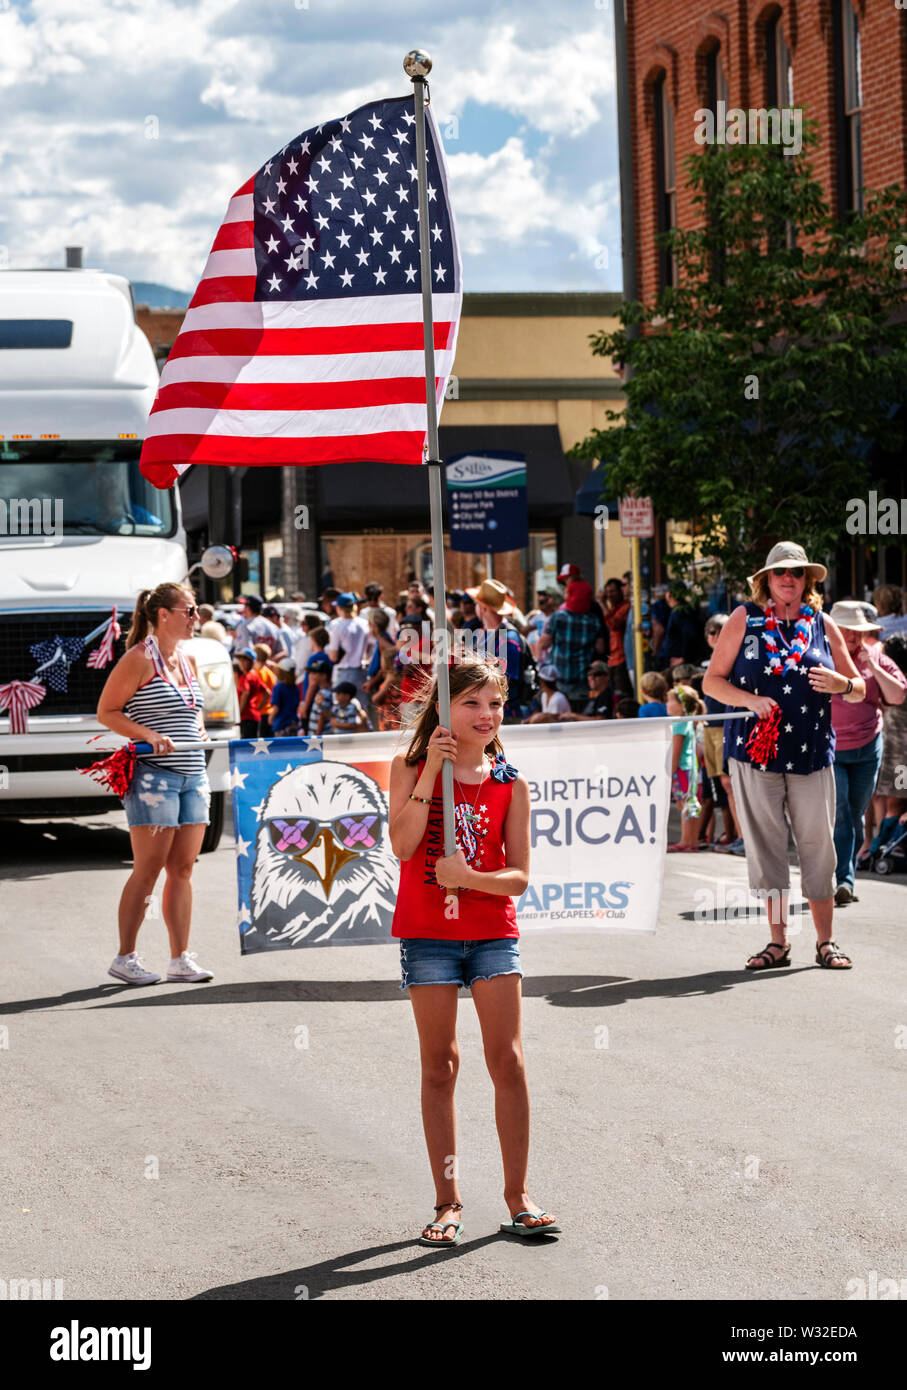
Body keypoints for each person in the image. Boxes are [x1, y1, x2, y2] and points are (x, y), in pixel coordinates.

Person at [388, 655, 559, 1244]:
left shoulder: (511, 781)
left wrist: (470, 879)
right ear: (443, 709)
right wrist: (429, 776)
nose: (487, 715)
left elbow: (518, 877)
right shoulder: (408, 765)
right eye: (471, 703)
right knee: (441, 1066)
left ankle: (519, 1197)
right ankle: (447, 1201)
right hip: (428, 935)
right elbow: (404, 848)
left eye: (495, 704)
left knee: (506, 1060)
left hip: (492, 934)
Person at [702, 541, 866, 970]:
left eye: (797, 573)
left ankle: (826, 942)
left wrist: (841, 684)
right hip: (755, 754)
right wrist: (747, 700)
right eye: (780, 573)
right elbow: (711, 682)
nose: (788, 579)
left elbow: (861, 687)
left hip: (811, 753)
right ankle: (778, 943)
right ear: (766, 581)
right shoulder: (744, 618)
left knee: (818, 846)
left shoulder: (822, 623)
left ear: (807, 580)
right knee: (767, 848)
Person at [96, 582, 214, 987]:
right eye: (190, 610)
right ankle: (125, 956)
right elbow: (107, 712)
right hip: (153, 778)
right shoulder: (137, 659)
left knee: (182, 869)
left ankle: (180, 958)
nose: (196, 618)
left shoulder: (186, 659)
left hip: (193, 775)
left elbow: (191, 712)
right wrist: (147, 734)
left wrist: (197, 727)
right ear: (163, 614)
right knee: (147, 869)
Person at [828, 601, 907, 904]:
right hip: (832, 749)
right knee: (843, 813)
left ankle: (846, 868)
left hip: (867, 748)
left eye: (858, 630)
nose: (852, 636)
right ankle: (843, 880)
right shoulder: (821, 656)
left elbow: (897, 695)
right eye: (846, 630)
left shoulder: (876, 654)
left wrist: (873, 667)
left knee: (857, 813)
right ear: (834, 630)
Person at [863, 632, 907, 860]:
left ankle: (882, 847)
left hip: (896, 757)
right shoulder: (894, 682)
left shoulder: (893, 683)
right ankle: (882, 847)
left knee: (892, 803)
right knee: (892, 802)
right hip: (895, 757)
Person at [466, 579, 533, 724]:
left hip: (503, 715)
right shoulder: (481, 635)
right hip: (486, 713)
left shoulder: (509, 639)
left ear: (483, 608)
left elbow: (503, 682)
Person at [700, 615, 741, 849]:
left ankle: (744, 837)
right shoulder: (708, 664)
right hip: (711, 726)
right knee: (724, 786)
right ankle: (735, 835)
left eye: (720, 631)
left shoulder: (735, 659)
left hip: (728, 724)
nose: (715, 636)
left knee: (731, 783)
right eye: (711, 632)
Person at [537, 579, 601, 710]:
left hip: (559, 682)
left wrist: (542, 665)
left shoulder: (559, 617)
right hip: (582, 683)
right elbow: (601, 649)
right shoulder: (594, 621)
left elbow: (543, 643)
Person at [666, 684, 707, 851]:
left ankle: (686, 841)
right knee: (688, 804)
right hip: (689, 768)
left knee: (685, 804)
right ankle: (692, 841)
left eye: (669, 701)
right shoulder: (687, 721)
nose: (667, 705)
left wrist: (669, 771)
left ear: (681, 705)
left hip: (682, 769)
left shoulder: (679, 723)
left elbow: (676, 752)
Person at [327, 592, 371, 699]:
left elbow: (333, 656)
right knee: (362, 707)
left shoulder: (338, 627)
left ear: (339, 608)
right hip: (362, 671)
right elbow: (371, 646)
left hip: (345, 672)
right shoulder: (365, 624)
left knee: (341, 708)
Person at [599, 576, 632, 703]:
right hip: (613, 659)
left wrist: (603, 604)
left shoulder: (625, 607)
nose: (609, 596)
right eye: (607, 593)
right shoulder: (612, 609)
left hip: (622, 658)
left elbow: (614, 623)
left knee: (622, 694)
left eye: (612, 592)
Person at [298, 627, 334, 734]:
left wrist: (305, 705)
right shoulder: (328, 657)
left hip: (314, 701)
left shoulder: (313, 658)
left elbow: (312, 684)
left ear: (314, 640)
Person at [234, 649, 266, 738]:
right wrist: (259, 708)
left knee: (246, 745)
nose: (240, 663)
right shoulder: (255, 676)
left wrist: (238, 714)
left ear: (251, 662)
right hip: (253, 716)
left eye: (244, 661)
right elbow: (267, 692)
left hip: (246, 717)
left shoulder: (246, 678)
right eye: (240, 660)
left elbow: (245, 694)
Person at [268, 659, 300, 737]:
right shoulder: (295, 688)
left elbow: (276, 708)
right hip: (293, 724)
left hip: (281, 725)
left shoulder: (278, 687)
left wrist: (270, 718)